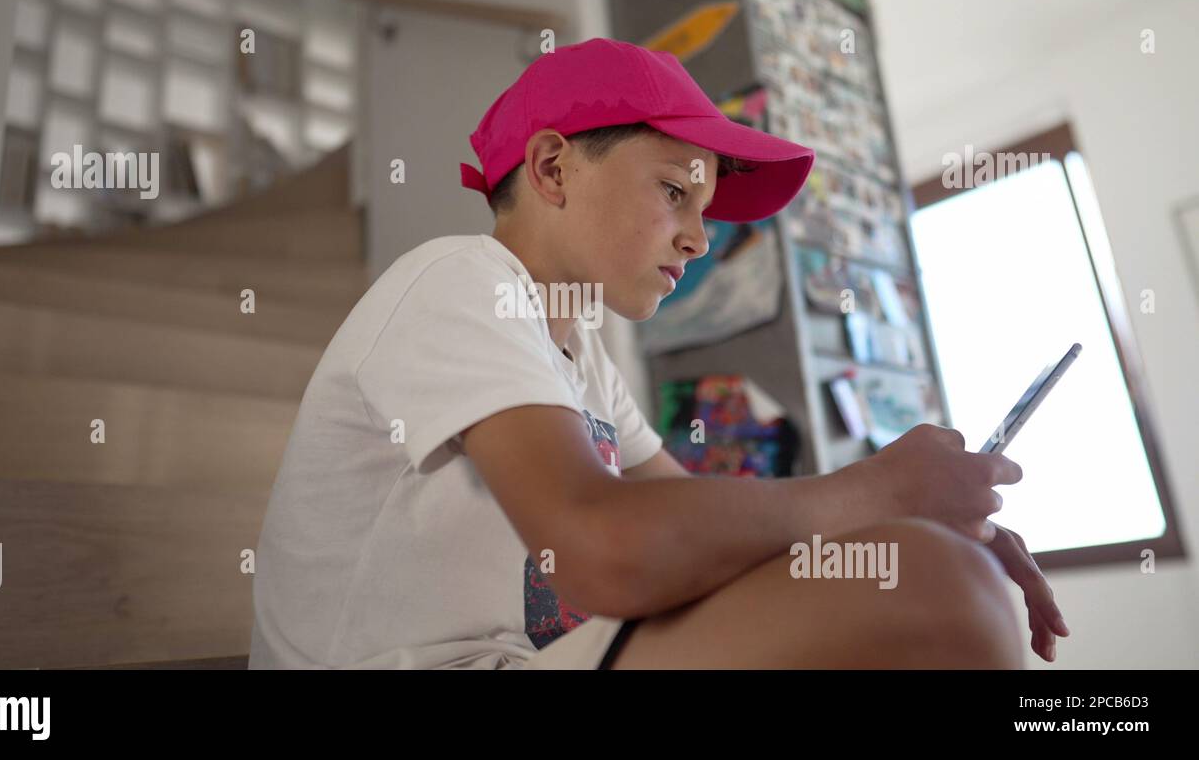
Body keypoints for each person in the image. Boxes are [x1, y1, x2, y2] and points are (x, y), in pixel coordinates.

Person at [248, 37, 1069, 670]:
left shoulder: (581, 352)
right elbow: (598, 545)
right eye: (676, 190)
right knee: (941, 591)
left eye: (705, 206)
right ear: (552, 168)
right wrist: (871, 490)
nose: (700, 237)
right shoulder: (458, 280)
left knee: (927, 574)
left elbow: (687, 531)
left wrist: (899, 514)